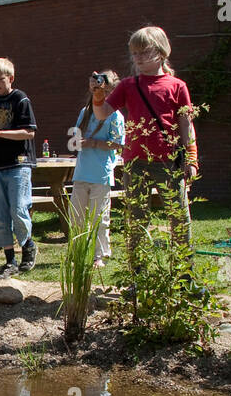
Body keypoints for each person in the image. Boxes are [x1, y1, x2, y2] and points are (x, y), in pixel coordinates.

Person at [104, 25, 198, 246]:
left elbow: (186, 125)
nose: (137, 57)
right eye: (134, 53)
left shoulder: (177, 86)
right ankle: (138, 275)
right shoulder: (128, 85)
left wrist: (192, 158)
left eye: (143, 52)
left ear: (161, 52)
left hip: (169, 161)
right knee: (136, 220)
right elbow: (102, 113)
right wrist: (99, 94)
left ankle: (183, 277)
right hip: (135, 161)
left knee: (179, 218)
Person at [0, 57, 38, 278]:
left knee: (18, 208)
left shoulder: (20, 100)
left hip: (18, 163)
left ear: (10, 78)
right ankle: (10, 260)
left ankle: (28, 246)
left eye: (0, 79)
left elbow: (29, 132)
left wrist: (0, 133)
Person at [70, 70, 125, 268]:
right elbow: (75, 138)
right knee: (76, 215)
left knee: (98, 217)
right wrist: (78, 141)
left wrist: (93, 143)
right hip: (82, 172)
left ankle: (99, 255)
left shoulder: (115, 115)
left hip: (101, 173)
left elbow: (118, 144)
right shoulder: (85, 113)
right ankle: (76, 251)